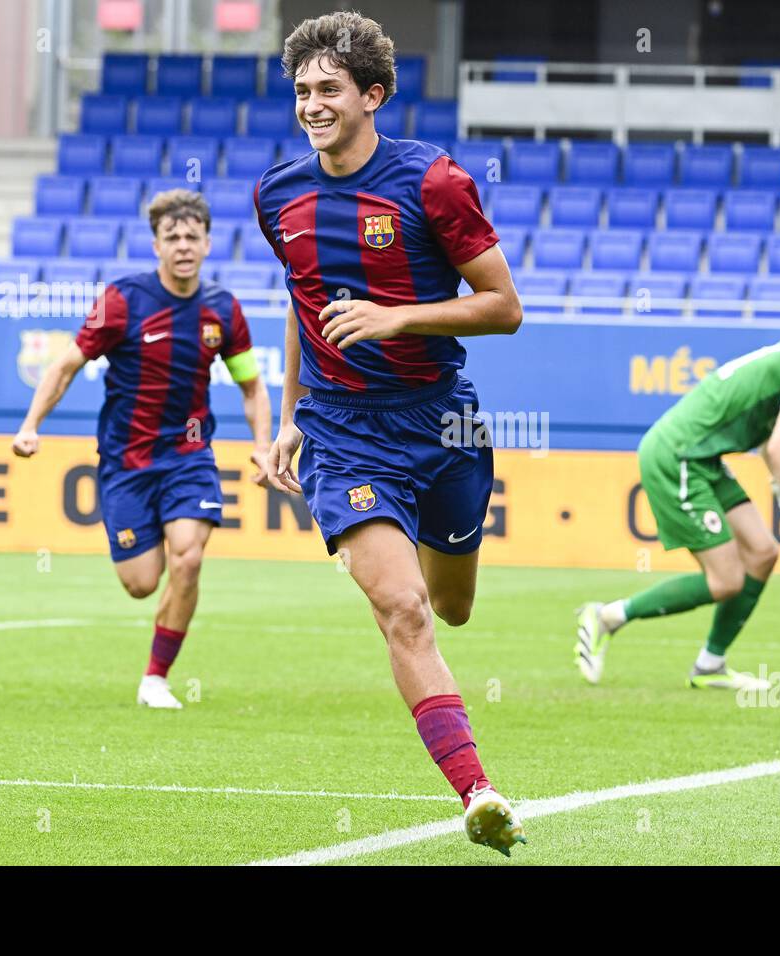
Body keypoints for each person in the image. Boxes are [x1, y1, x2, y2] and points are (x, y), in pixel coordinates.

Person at [254, 11, 526, 855]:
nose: (312, 104)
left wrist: (398, 318)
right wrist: (294, 413)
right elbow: (303, 310)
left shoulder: (433, 183)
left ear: (372, 95)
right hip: (344, 432)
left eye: (329, 89)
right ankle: (477, 791)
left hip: (441, 423)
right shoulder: (277, 195)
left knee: (453, 604)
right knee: (404, 610)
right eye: (302, 91)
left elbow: (503, 308)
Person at [12, 190, 272, 709]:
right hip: (126, 462)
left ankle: (156, 677)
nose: (182, 246)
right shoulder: (122, 301)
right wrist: (30, 425)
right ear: (155, 245)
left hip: (190, 456)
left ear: (207, 243)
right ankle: (154, 626)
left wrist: (264, 446)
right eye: (171, 237)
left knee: (189, 560)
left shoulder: (222, 310)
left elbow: (251, 387)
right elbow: (65, 366)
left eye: (191, 237)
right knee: (141, 583)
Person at [575, 295, 780, 689]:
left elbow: (769, 447)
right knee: (727, 578)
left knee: (763, 553)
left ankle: (710, 665)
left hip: (702, 459)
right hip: (679, 455)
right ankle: (607, 615)